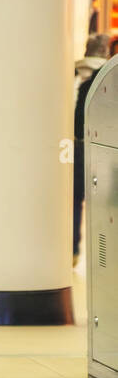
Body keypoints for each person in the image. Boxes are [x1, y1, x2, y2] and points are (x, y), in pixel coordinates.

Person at [75, 35, 110, 265]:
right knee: (104, 204)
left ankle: (72, 250)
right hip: (102, 149)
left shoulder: (73, 74)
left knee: (74, 199)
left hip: (73, 145)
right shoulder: (108, 77)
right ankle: (102, 256)